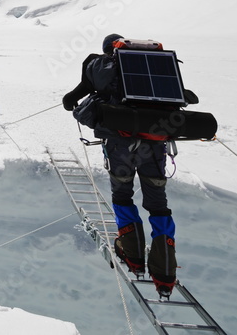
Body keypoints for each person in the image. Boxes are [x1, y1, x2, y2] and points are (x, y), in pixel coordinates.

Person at [62, 33, 177, 296]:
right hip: (155, 144)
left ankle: (133, 255)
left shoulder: (101, 70)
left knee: (123, 195)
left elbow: (72, 98)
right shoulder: (156, 69)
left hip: (120, 145)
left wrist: (73, 102)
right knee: (158, 204)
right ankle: (165, 272)